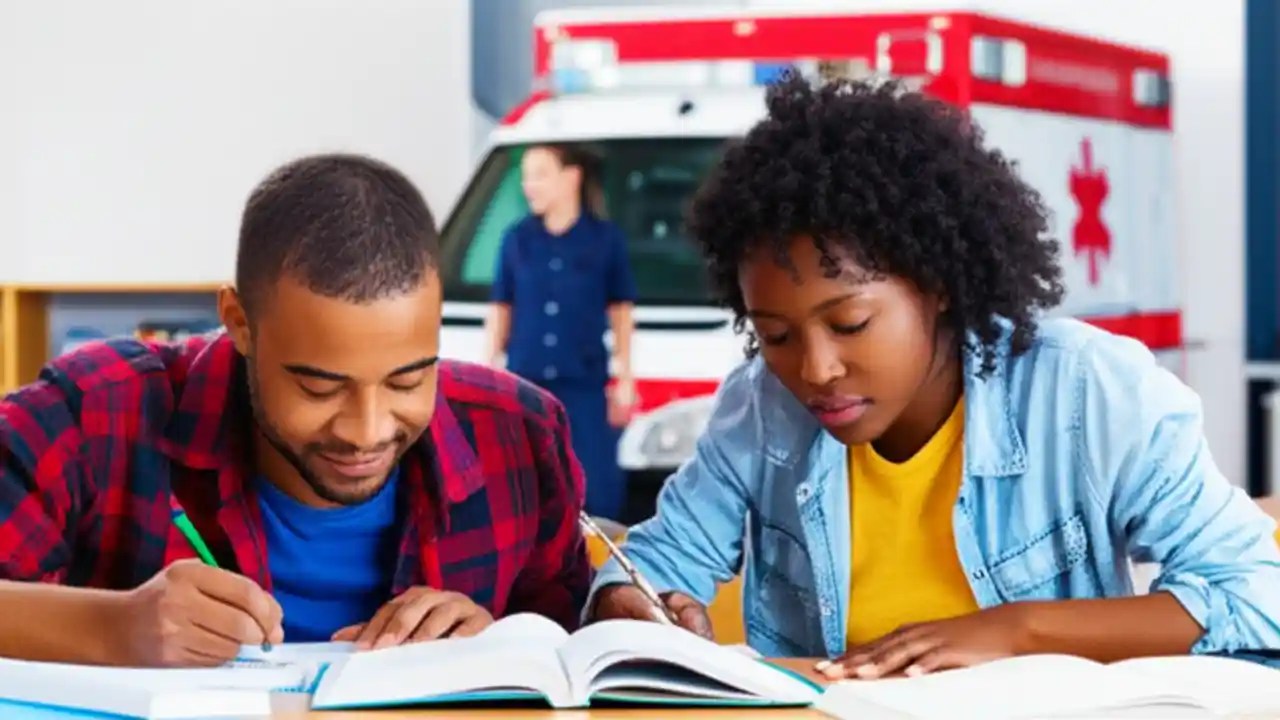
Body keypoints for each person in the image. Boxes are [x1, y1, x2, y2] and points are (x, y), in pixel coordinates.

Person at [590, 74, 1280, 676]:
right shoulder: (762, 407)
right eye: (774, 335)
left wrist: (1016, 630)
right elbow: (655, 565)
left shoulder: (1088, 391)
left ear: (939, 285)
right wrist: (629, 605)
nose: (816, 369)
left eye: (851, 323)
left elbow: (1256, 598)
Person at [0, 153, 590, 667]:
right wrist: (113, 629)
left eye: (408, 380)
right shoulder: (97, 411)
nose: (367, 431)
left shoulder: (520, 436)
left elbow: (572, 653)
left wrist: (502, 645)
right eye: (319, 388)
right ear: (238, 322)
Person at [484, 143, 638, 521]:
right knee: (522, 484)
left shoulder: (605, 240)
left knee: (593, 486)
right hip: (526, 383)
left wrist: (626, 378)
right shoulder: (516, 240)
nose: (529, 186)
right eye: (526, 177)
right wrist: (490, 367)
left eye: (539, 174)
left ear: (571, 178)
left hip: (582, 384)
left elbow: (620, 311)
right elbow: (502, 307)